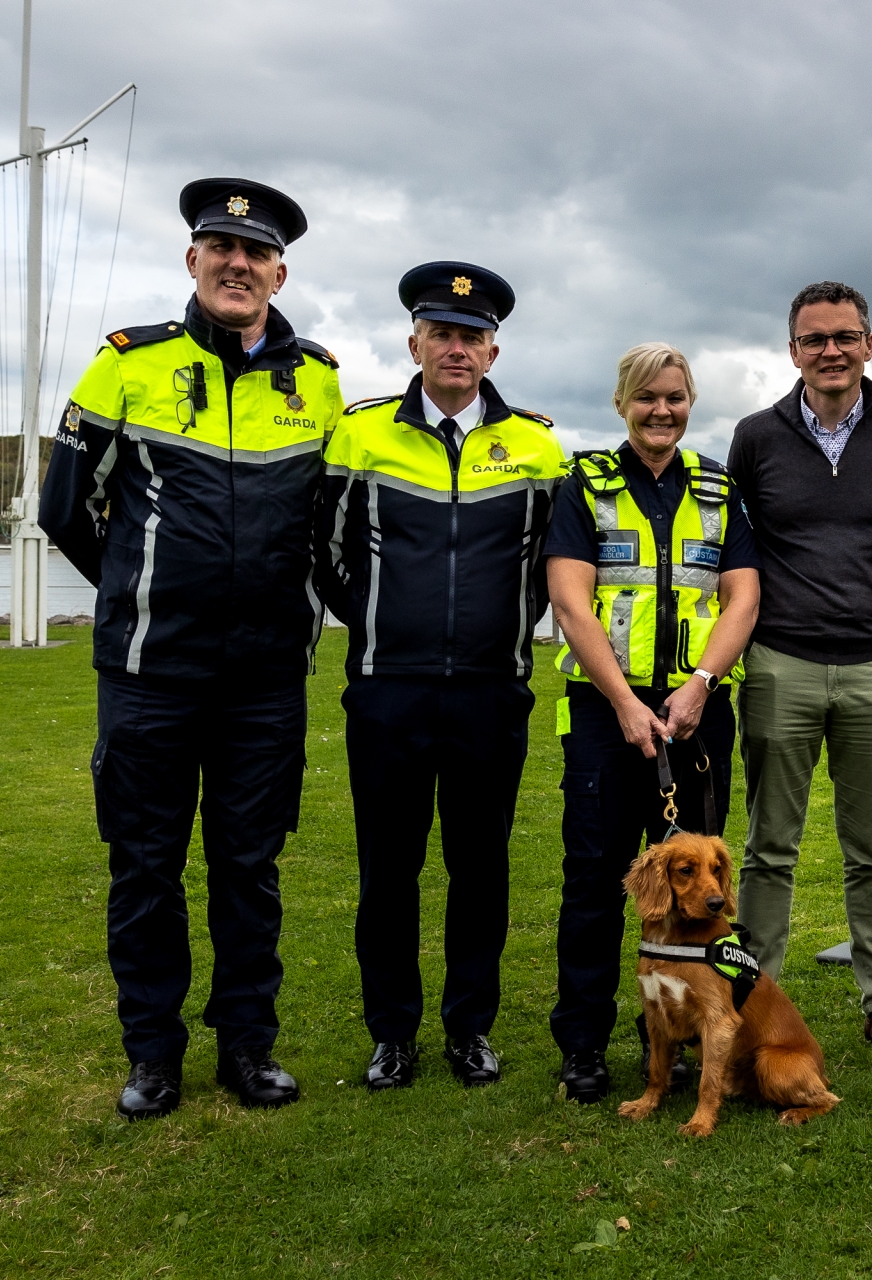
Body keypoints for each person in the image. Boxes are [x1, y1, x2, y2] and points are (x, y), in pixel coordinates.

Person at [40, 178, 344, 1119]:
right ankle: (153, 1055)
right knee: (144, 865)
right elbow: (66, 512)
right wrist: (140, 596)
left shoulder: (320, 381)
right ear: (194, 260)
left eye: (255, 255)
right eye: (221, 247)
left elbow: (326, 533)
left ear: (278, 272)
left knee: (249, 867)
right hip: (149, 676)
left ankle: (248, 1048)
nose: (237, 264)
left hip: (262, 681)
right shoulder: (128, 364)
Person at [314, 263, 566, 1091]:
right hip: (389, 690)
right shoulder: (361, 434)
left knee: (480, 867)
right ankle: (392, 1033)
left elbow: (549, 568)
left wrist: (498, 638)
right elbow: (328, 553)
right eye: (442, 334)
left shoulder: (535, 444)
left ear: (493, 351)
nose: (456, 349)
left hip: (493, 694)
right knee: (388, 871)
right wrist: (387, 623)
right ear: (414, 341)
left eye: (472, 337)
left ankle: (470, 1028)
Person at [726, 281, 872, 1067]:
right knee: (768, 847)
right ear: (793, 352)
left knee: (871, 849)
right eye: (814, 339)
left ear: (869, 345)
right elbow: (741, 546)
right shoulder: (754, 437)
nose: (831, 351)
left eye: (845, 336)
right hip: (781, 661)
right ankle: (752, 1005)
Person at [543, 343, 761, 1102]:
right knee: (596, 881)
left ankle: (690, 1035)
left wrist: (700, 685)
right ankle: (583, 1044)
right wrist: (626, 703)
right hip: (609, 714)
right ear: (621, 403)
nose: (661, 410)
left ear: (690, 401)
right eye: (646, 397)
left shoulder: (719, 487)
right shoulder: (586, 485)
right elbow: (572, 604)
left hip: (698, 714)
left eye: (673, 397)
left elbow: (742, 598)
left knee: (704, 895)